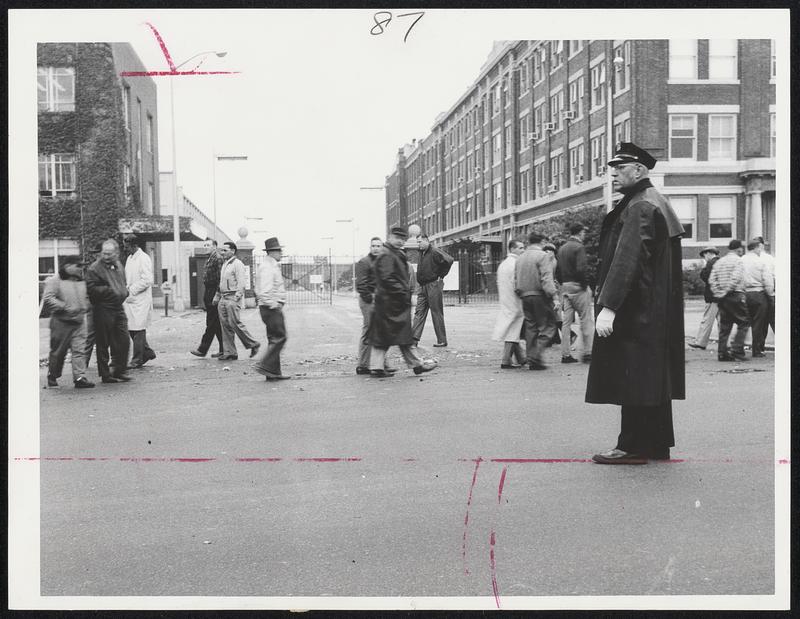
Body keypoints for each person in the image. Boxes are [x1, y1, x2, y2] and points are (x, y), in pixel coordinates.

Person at [586, 142, 685, 464]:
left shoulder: (639, 205)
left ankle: (631, 446)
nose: (613, 173)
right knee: (650, 376)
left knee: (633, 376)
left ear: (639, 170)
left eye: (620, 168)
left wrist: (609, 307)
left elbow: (627, 259)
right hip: (653, 307)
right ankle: (655, 443)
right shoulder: (653, 200)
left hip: (636, 307)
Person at [369, 226, 437, 377]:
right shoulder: (387, 254)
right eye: (397, 238)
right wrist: (403, 292)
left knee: (392, 337)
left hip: (390, 303)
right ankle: (415, 364)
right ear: (390, 237)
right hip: (392, 303)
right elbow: (387, 279)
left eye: (402, 239)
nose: (400, 241)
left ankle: (378, 367)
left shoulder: (392, 253)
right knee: (399, 337)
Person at [42, 255, 94, 388]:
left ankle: (79, 378)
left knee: (79, 350)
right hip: (61, 321)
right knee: (58, 351)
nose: (80, 269)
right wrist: (64, 307)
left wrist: (86, 305)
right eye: (78, 266)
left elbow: (86, 296)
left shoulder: (81, 280)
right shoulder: (55, 280)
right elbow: (48, 298)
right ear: (67, 266)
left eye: (82, 266)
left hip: (79, 321)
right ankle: (52, 376)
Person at [85, 239, 132, 383]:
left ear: (116, 253)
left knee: (123, 340)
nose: (105, 256)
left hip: (118, 307)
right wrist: (110, 292)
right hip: (103, 308)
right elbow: (91, 289)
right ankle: (105, 374)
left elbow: (122, 282)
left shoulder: (118, 265)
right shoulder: (94, 268)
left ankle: (119, 370)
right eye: (104, 253)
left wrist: (123, 291)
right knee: (103, 342)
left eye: (109, 253)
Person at [514, 231, 558, 370]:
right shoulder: (543, 256)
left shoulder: (520, 258)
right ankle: (535, 355)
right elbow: (546, 278)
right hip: (540, 295)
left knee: (531, 328)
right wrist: (554, 296)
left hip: (524, 296)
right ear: (542, 242)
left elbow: (515, 279)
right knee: (549, 325)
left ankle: (532, 359)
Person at [354, 236, 396, 375]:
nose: (376, 248)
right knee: (369, 331)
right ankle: (364, 364)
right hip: (369, 300)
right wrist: (369, 298)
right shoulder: (364, 262)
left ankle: (380, 363)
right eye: (373, 246)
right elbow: (361, 284)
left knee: (380, 331)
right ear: (370, 247)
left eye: (378, 246)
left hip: (380, 299)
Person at [214, 241, 260, 361]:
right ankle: (230, 352)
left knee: (235, 323)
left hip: (232, 297)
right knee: (225, 326)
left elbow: (241, 282)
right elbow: (221, 282)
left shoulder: (237, 264)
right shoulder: (225, 264)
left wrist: (237, 296)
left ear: (232, 251)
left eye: (225, 250)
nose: (222, 252)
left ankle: (253, 343)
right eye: (222, 250)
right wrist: (217, 296)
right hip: (223, 298)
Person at [252, 237, 290, 381]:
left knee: (274, 339)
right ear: (272, 252)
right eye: (279, 250)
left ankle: (273, 373)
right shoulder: (268, 267)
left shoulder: (269, 265)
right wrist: (274, 304)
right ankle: (264, 365)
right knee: (281, 337)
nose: (281, 253)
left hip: (267, 307)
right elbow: (264, 291)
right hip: (271, 308)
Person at [556, 223, 594, 364]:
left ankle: (565, 354)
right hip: (578, 287)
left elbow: (558, 271)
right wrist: (584, 286)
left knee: (566, 323)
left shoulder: (562, 248)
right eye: (583, 232)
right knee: (585, 319)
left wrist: (564, 284)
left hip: (566, 287)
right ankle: (588, 352)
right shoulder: (579, 247)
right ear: (579, 233)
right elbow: (581, 269)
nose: (584, 235)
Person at [708, 239, 750, 362]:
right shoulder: (738, 261)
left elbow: (712, 279)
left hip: (722, 298)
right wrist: (727, 290)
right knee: (744, 322)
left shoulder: (719, 262)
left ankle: (722, 353)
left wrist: (718, 292)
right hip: (736, 295)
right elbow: (736, 277)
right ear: (739, 249)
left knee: (725, 326)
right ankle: (737, 349)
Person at [411, 233, 454, 348]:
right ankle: (414, 339)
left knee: (436, 312)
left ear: (426, 241)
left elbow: (449, 260)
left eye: (420, 242)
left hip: (433, 285)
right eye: (417, 242)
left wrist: (441, 275)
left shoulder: (435, 251)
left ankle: (442, 340)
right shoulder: (421, 253)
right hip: (423, 286)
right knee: (419, 311)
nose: (418, 244)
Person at [122, 235, 156, 368]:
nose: (125, 249)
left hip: (141, 299)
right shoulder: (130, 258)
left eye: (127, 246)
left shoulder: (143, 258)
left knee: (139, 329)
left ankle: (137, 359)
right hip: (131, 298)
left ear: (134, 245)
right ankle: (147, 352)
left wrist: (132, 289)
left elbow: (148, 280)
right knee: (131, 328)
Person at [492, 239, 526, 368]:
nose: (523, 250)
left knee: (513, 330)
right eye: (520, 248)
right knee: (513, 331)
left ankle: (521, 357)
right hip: (515, 302)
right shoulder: (516, 263)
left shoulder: (504, 264)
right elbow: (517, 284)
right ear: (512, 249)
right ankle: (505, 360)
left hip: (506, 300)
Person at [191, 238, 224, 358]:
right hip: (209, 291)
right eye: (204, 245)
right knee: (215, 323)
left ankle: (202, 349)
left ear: (215, 246)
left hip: (213, 291)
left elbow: (221, 278)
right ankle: (223, 350)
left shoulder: (217, 258)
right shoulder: (210, 258)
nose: (205, 247)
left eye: (208, 245)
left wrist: (217, 294)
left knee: (211, 322)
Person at [688, 247, 721, 350]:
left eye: (704, 255)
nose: (704, 258)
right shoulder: (721, 262)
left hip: (712, 296)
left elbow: (705, 276)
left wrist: (703, 268)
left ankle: (701, 342)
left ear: (709, 253)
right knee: (722, 321)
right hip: (722, 297)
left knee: (707, 321)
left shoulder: (711, 263)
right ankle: (725, 343)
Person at [83, 241, 103, 366]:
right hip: (94, 304)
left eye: (98, 253)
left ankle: (104, 364)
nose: (96, 256)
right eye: (96, 254)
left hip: (106, 306)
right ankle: (83, 363)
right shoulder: (92, 269)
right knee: (90, 335)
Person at [755, 236, 775, 337]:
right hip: (769, 293)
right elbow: (775, 275)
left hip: (759, 294)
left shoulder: (752, 259)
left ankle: (759, 349)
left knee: (761, 323)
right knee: (773, 320)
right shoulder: (770, 258)